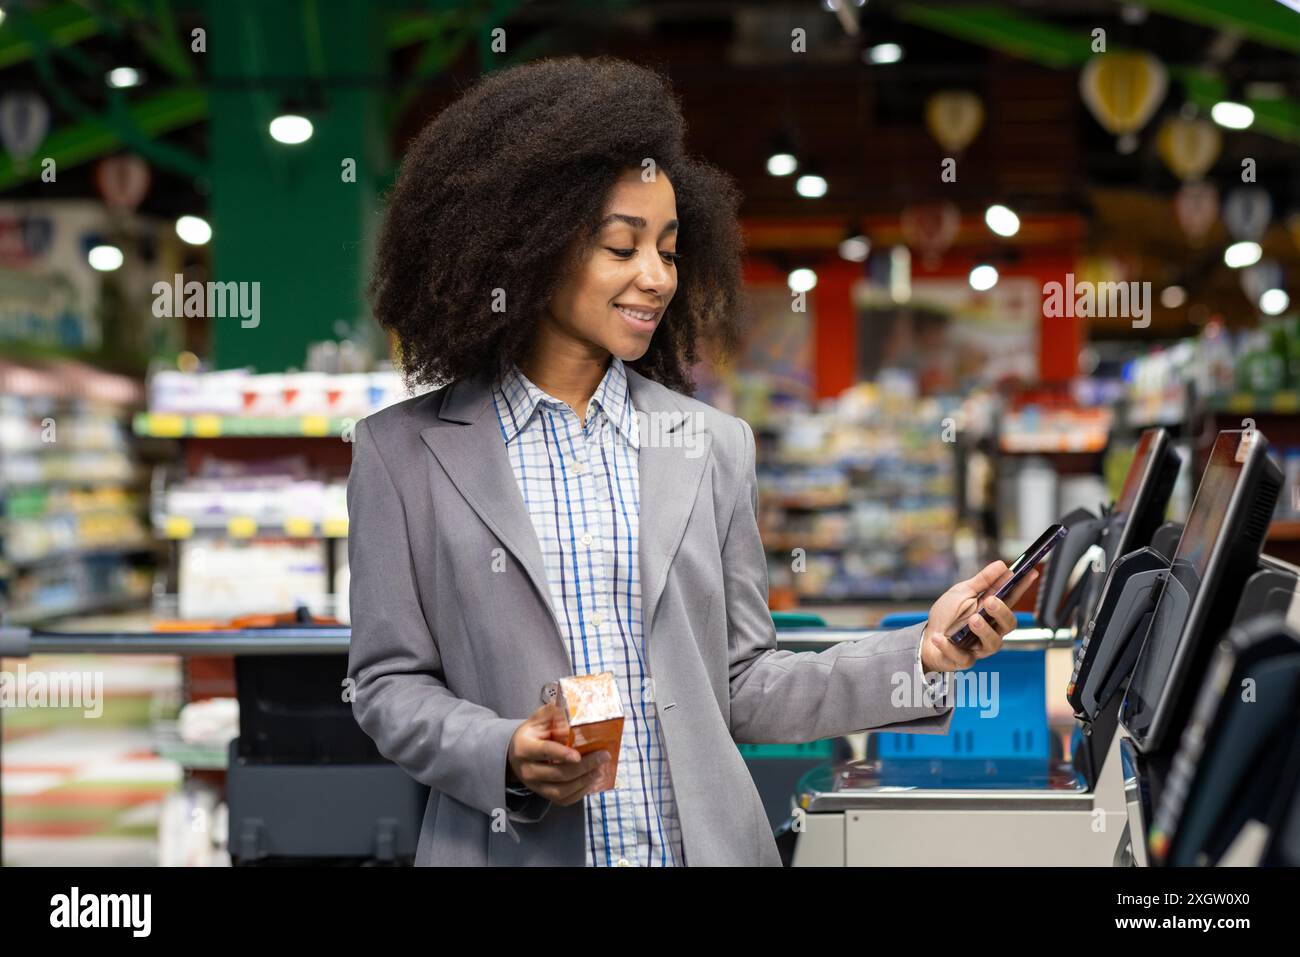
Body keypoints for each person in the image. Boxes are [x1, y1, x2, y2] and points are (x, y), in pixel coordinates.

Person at [347, 56, 1031, 867]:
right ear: (524, 245)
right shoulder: (402, 454)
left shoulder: (710, 445)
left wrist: (921, 651)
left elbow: (742, 683)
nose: (656, 278)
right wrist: (503, 749)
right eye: (620, 245)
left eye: (669, 250)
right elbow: (387, 685)